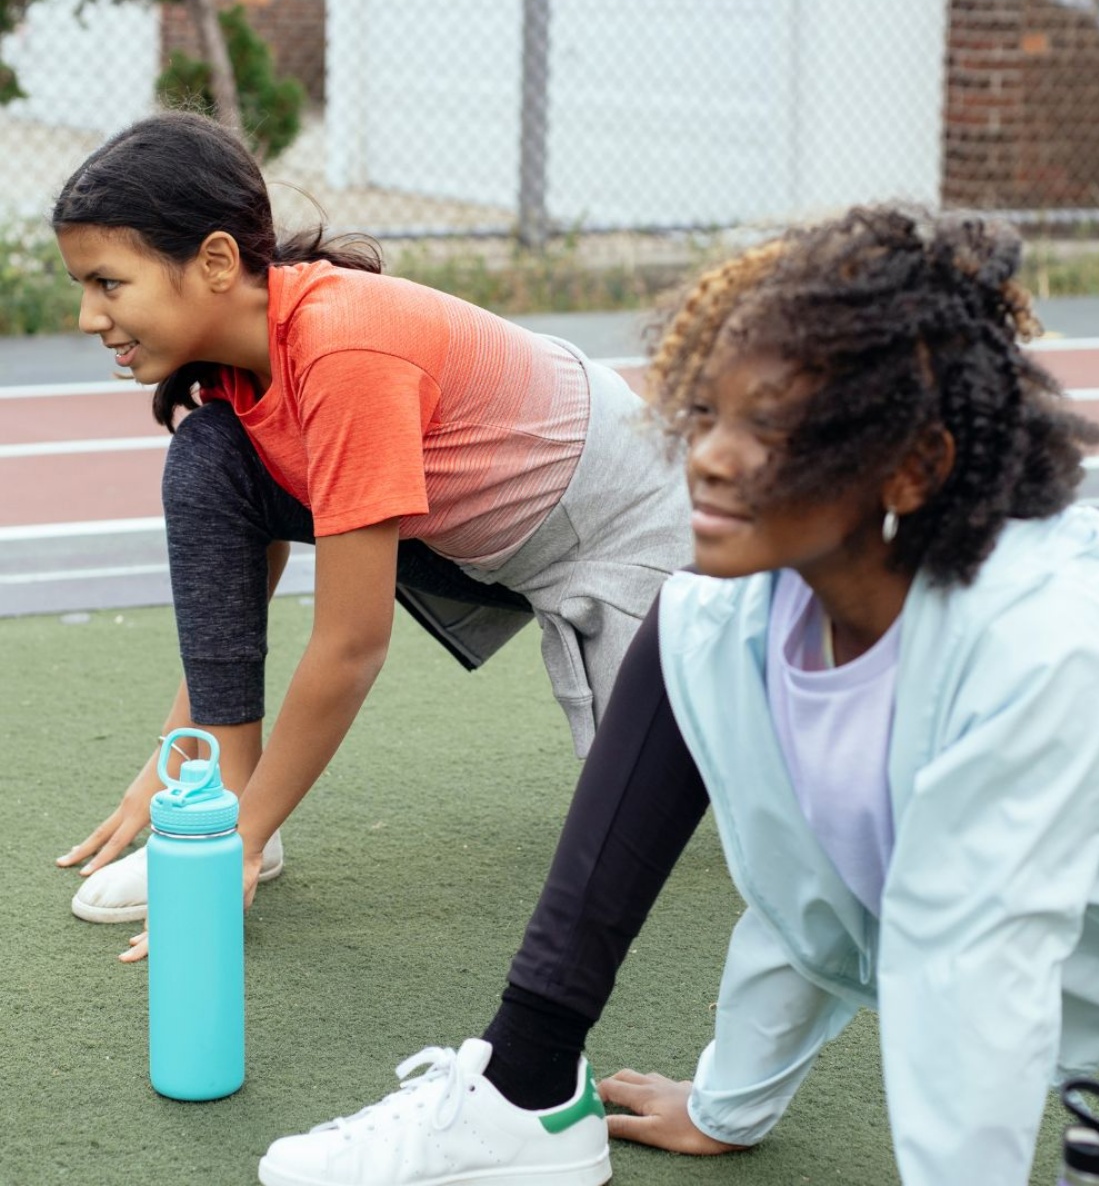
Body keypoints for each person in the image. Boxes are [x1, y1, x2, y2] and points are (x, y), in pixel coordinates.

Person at [257, 205, 1099, 1186]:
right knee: (685, 632)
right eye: (705, 413)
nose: (706, 454)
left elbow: (971, 989)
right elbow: (816, 883)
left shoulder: (1045, 655)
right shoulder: (737, 629)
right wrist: (728, 1105)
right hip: (1035, 947)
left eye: (773, 425)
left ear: (916, 467)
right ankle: (521, 1086)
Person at [51, 110, 692, 960]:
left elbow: (352, 643)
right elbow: (245, 562)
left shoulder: (342, 351)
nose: (91, 317)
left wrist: (231, 848)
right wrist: (190, 771)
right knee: (209, 461)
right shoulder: (244, 369)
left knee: (713, 784)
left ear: (213, 262)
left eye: (108, 283)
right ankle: (231, 799)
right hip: (476, 530)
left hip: (622, 517)